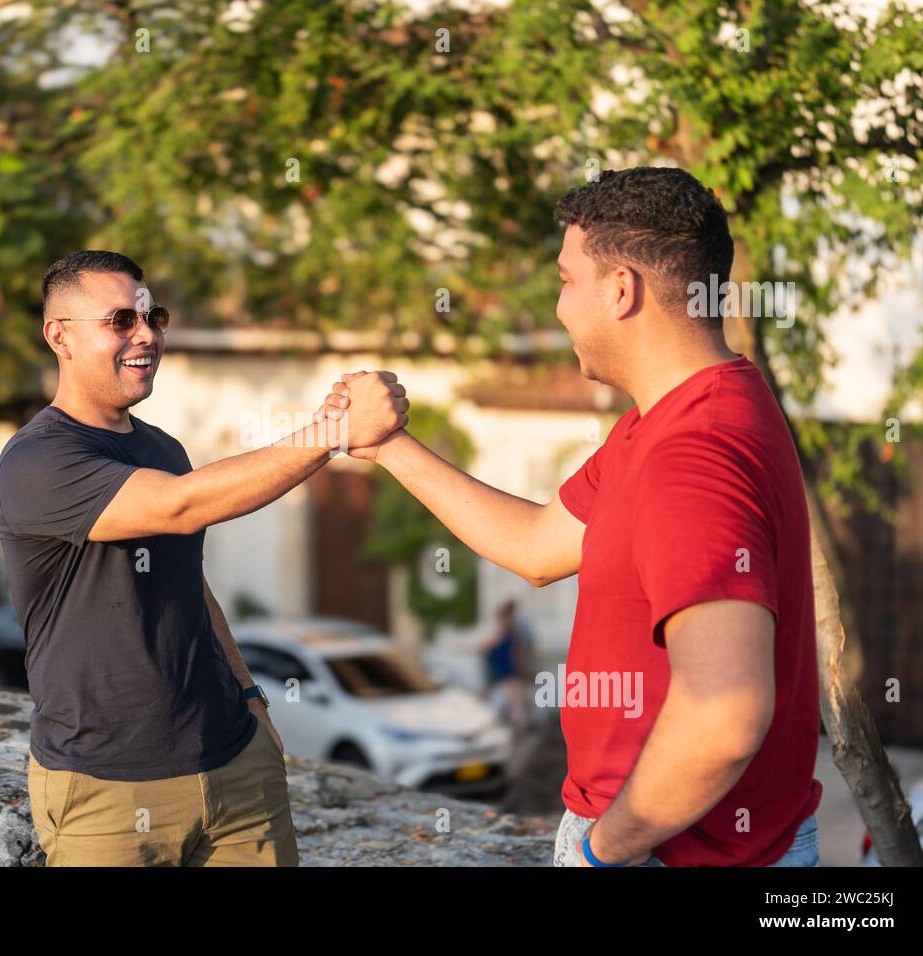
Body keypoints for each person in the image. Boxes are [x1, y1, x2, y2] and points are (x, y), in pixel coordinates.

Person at [325, 167, 823, 867]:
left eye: (565, 280)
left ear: (621, 290)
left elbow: (724, 718)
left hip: (673, 854)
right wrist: (387, 447)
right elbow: (536, 547)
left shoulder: (692, 455)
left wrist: (600, 851)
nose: (558, 308)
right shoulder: (676, 417)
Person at [0, 250, 409, 866]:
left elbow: (189, 583)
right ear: (60, 336)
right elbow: (182, 507)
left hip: (235, 765)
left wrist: (250, 696)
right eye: (119, 322)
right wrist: (334, 430)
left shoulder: (163, 447)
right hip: (106, 787)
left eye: (151, 316)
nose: (146, 336)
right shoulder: (37, 462)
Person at [480, 600, 532, 734]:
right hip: (503, 669)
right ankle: (520, 725)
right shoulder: (514, 631)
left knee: (512, 701)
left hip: (504, 669)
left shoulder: (506, 632)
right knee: (514, 701)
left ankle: (518, 726)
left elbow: (487, 645)